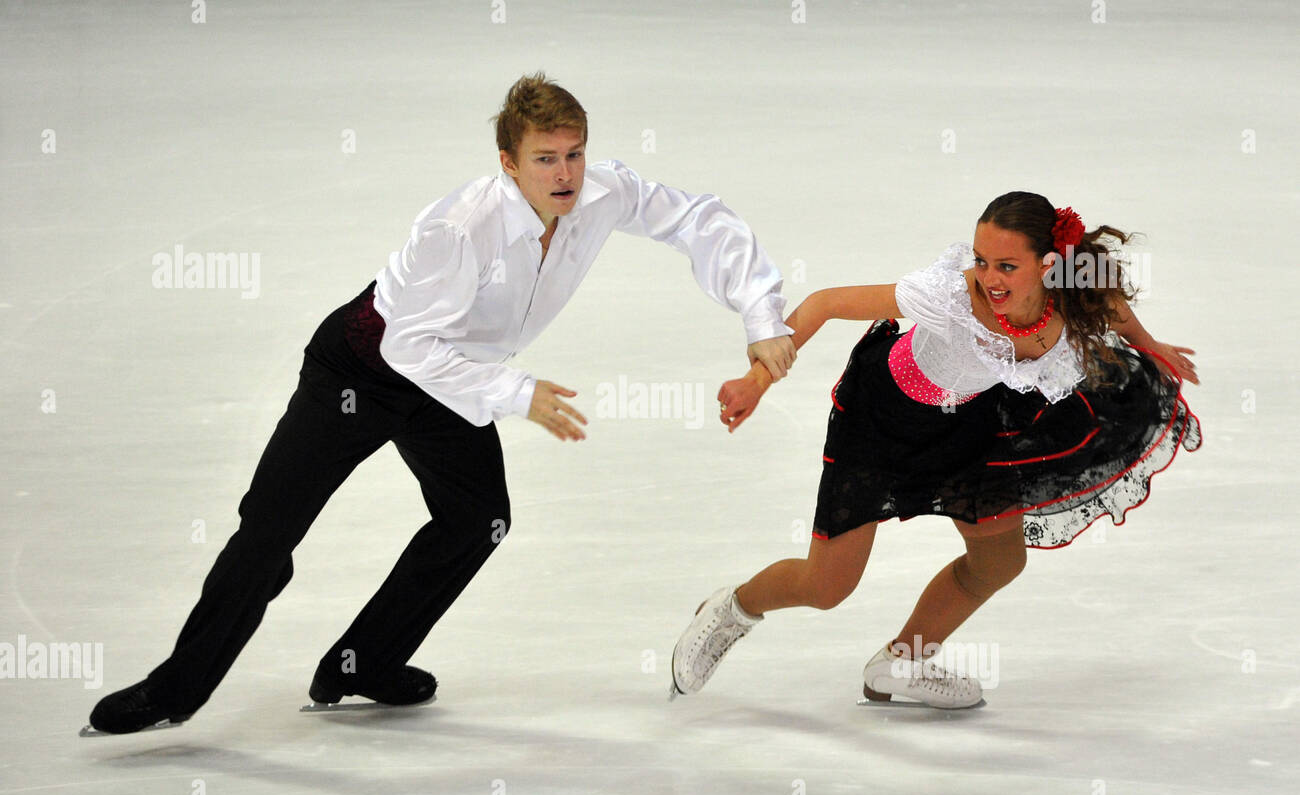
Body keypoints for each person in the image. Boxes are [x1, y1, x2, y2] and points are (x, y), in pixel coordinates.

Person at [87, 72, 796, 734]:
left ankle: (363, 662)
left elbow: (697, 219)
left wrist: (760, 318)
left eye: (575, 155)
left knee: (477, 520)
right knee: (270, 532)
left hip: (452, 378)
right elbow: (408, 348)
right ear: (508, 161)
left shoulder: (600, 195)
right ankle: (173, 691)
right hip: (362, 373)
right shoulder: (460, 227)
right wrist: (518, 394)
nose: (566, 174)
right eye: (546, 158)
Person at [669, 192, 1201, 708]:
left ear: (1050, 266)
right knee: (827, 586)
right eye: (982, 260)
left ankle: (902, 662)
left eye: (1008, 266)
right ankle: (732, 609)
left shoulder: (1076, 293)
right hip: (882, 421)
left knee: (998, 561)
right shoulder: (951, 295)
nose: (989, 278)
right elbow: (825, 303)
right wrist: (756, 381)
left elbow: (1111, 308)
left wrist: (1150, 346)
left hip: (969, 424)